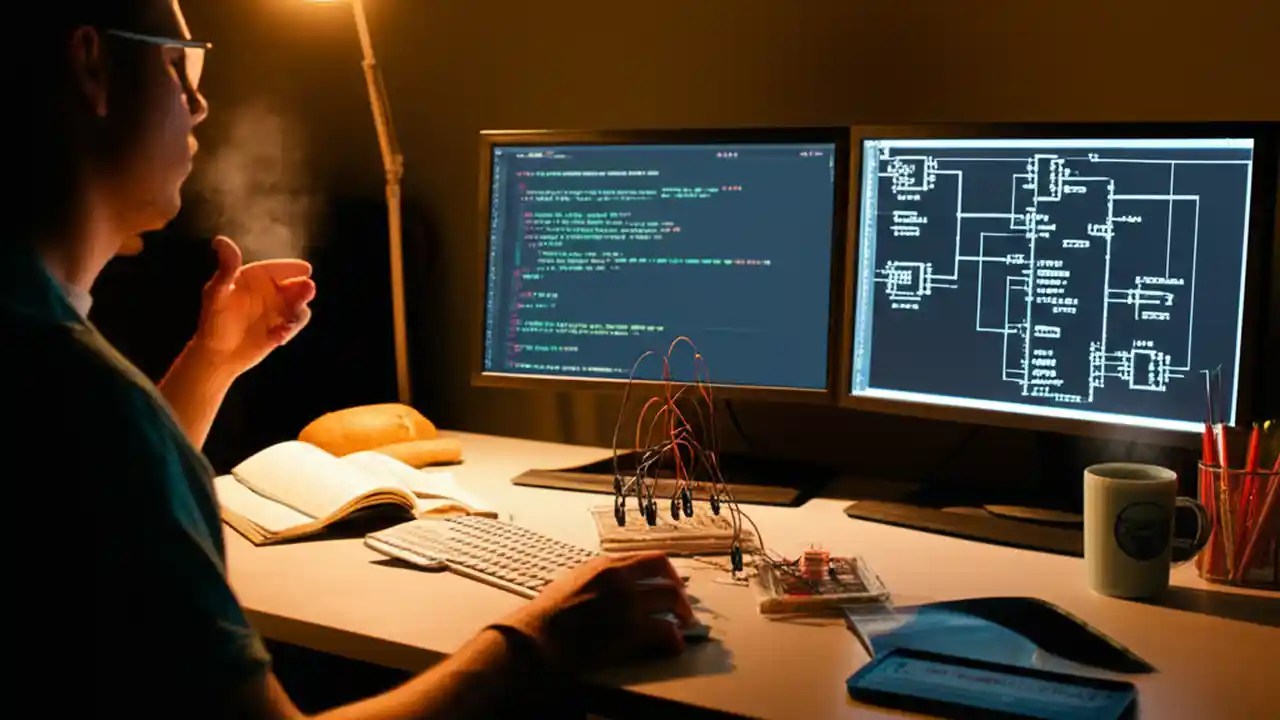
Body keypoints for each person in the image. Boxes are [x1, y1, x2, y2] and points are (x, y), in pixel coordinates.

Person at [7, 2, 695, 717]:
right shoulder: (82, 394)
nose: (201, 104)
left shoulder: (50, 368)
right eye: (181, 67)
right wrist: (540, 641)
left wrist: (211, 365)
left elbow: (104, 497)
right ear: (92, 67)